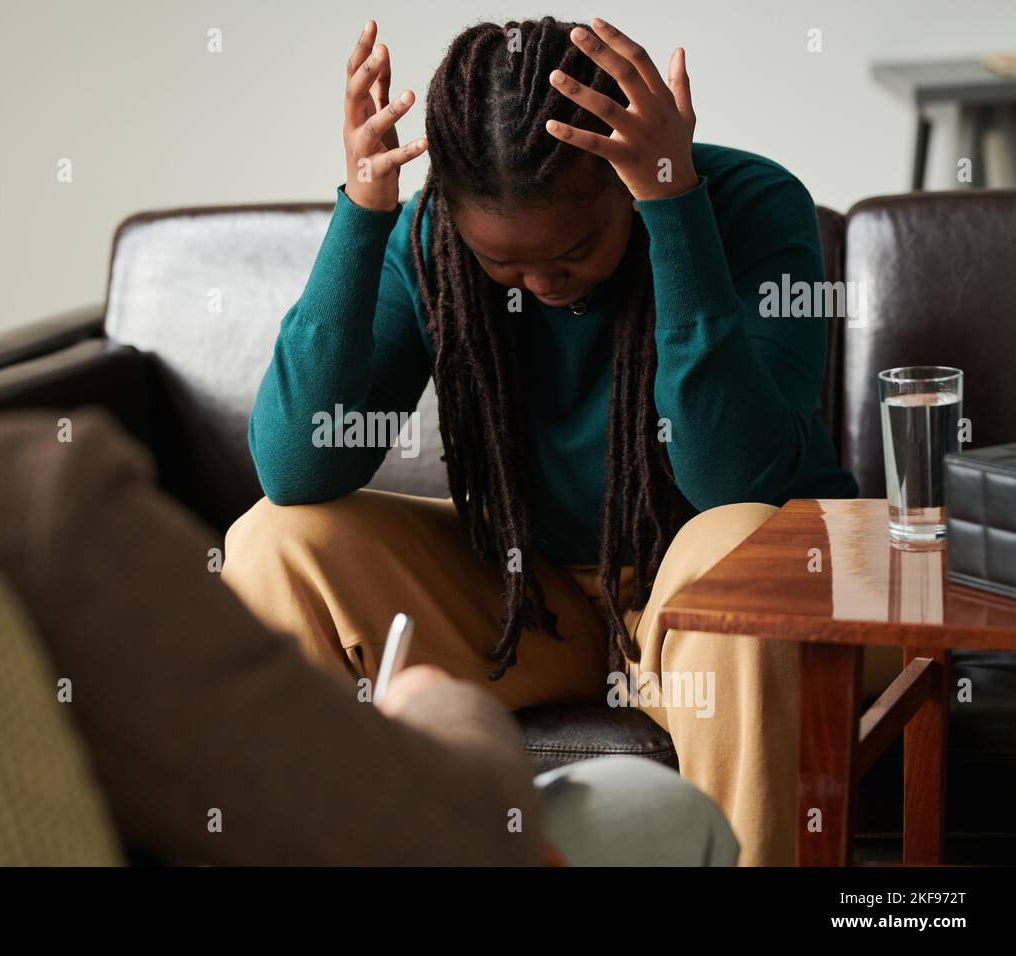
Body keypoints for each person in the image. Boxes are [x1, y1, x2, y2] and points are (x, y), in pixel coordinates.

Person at [0, 0, 738, 866]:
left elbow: (736, 474)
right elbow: (413, 828)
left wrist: (672, 208)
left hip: (676, 578)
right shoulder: (28, 515)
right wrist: (445, 716)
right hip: (506, 654)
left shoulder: (734, 202)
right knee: (667, 813)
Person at [223, 16, 898, 866]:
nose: (543, 283)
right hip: (534, 608)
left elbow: (735, 476)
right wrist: (363, 218)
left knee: (733, 545)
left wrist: (674, 211)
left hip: (742, 605)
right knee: (272, 543)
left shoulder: (755, 204)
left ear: (624, 177)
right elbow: (296, 465)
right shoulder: (430, 241)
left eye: (577, 251)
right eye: (504, 267)